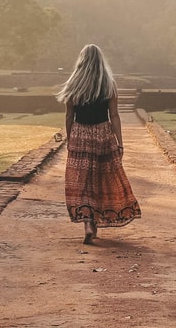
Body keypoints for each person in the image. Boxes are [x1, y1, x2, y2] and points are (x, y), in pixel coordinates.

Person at [57, 44, 140, 244]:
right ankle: (93, 222)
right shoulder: (108, 84)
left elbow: (69, 115)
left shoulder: (74, 84)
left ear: (82, 60)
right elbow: (115, 116)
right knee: (101, 179)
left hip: (80, 134)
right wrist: (120, 142)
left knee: (83, 180)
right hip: (102, 133)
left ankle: (88, 222)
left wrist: (71, 139)